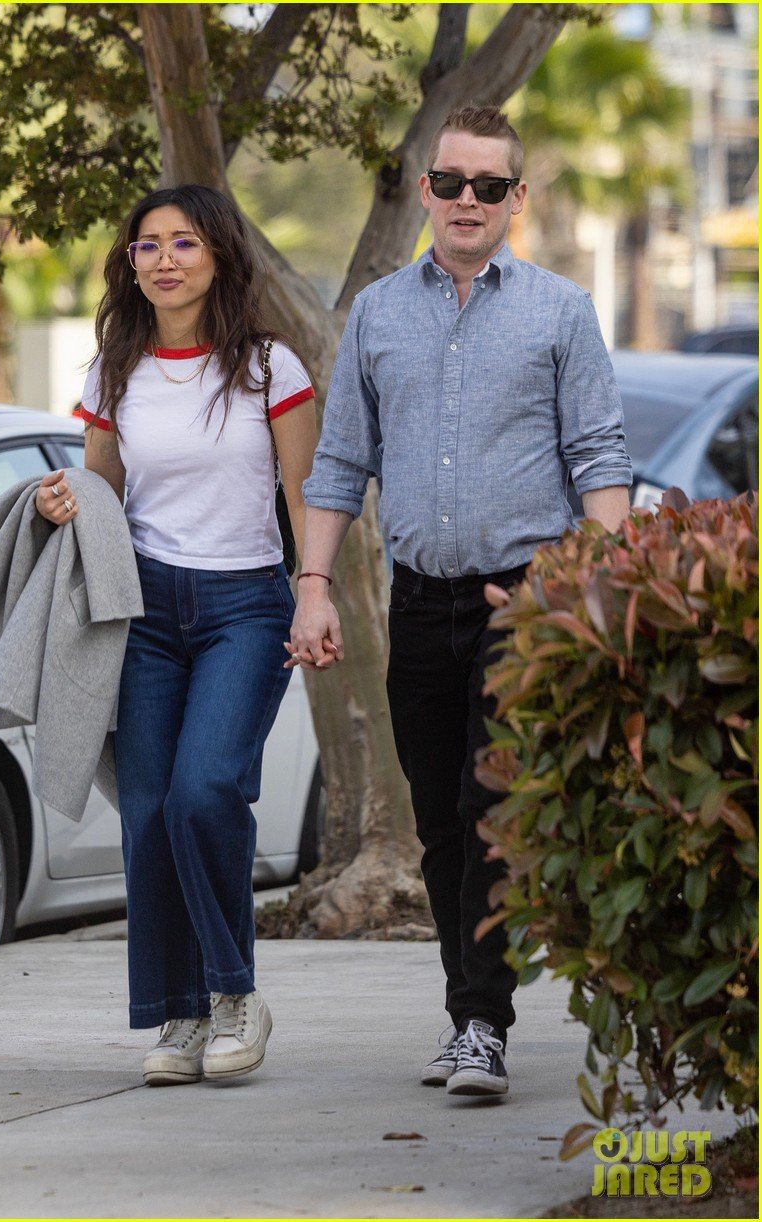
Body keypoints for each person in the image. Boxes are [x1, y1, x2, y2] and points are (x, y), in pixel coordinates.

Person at [288, 106, 632, 1099]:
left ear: (516, 197)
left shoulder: (561, 311)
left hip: (522, 600)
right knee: (439, 818)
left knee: (488, 804)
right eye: (450, 182)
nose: (467, 201)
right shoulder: (376, 313)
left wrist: (596, 589)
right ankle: (465, 1013)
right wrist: (313, 589)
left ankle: (484, 1022)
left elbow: (599, 456)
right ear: (424, 190)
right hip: (418, 602)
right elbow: (339, 464)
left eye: (488, 186)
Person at [36, 184, 317, 1085]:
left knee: (204, 791)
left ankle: (235, 993)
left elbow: (307, 498)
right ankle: (181, 1014)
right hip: (146, 611)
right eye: (147, 245)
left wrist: (315, 594)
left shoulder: (271, 368)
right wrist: (62, 503)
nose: (163, 260)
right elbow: (101, 501)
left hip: (247, 605)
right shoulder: (113, 372)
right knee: (150, 810)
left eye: (183, 242)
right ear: (129, 264)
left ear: (220, 253)